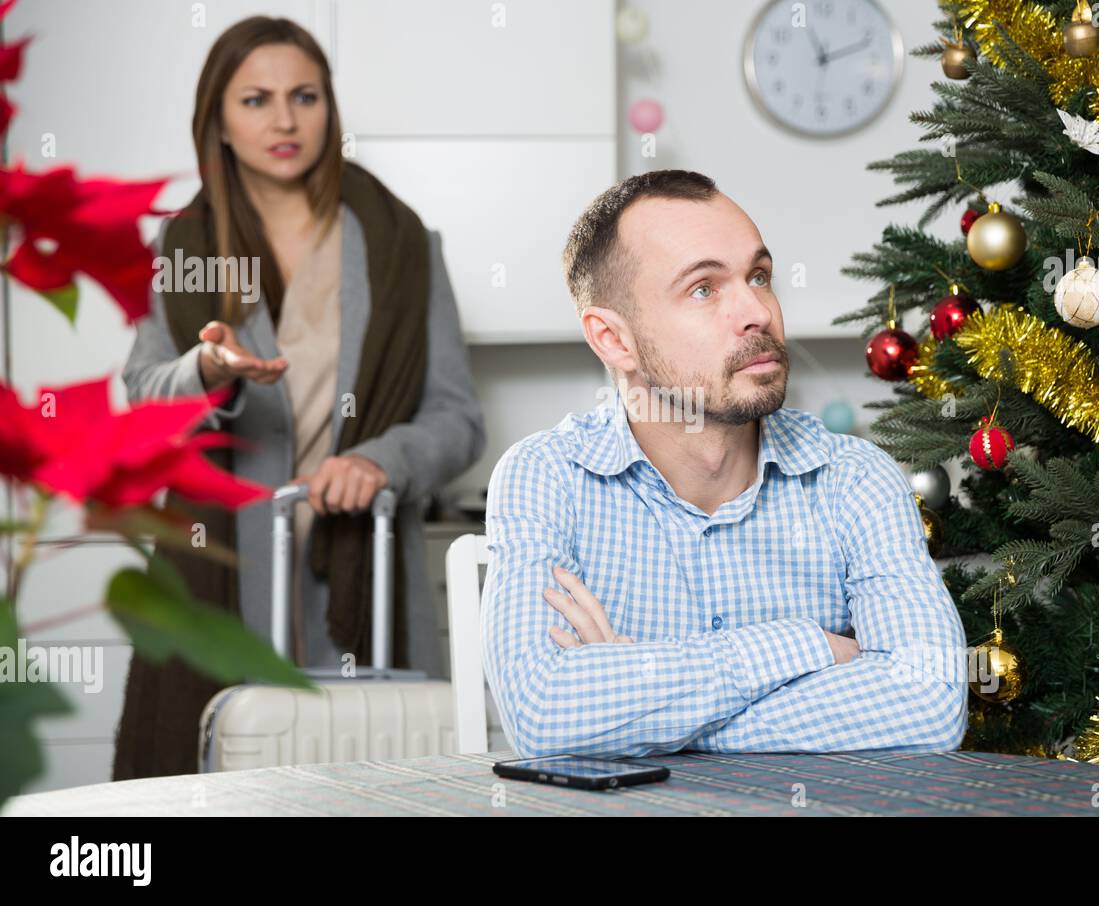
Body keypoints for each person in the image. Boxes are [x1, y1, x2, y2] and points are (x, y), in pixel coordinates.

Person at [481, 170, 968, 758]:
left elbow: (931, 701)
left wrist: (641, 710)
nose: (756, 312)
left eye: (758, 277)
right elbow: (544, 717)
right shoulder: (546, 477)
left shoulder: (855, 478)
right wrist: (809, 646)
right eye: (704, 289)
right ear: (613, 339)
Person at [113, 16, 485, 779]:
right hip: (222, 565)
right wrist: (207, 371)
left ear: (330, 109)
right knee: (219, 780)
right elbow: (146, 401)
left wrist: (384, 460)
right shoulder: (181, 248)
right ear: (217, 119)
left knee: (375, 779)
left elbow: (457, 417)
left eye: (304, 96)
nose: (284, 120)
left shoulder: (404, 244)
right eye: (256, 100)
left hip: (363, 562)